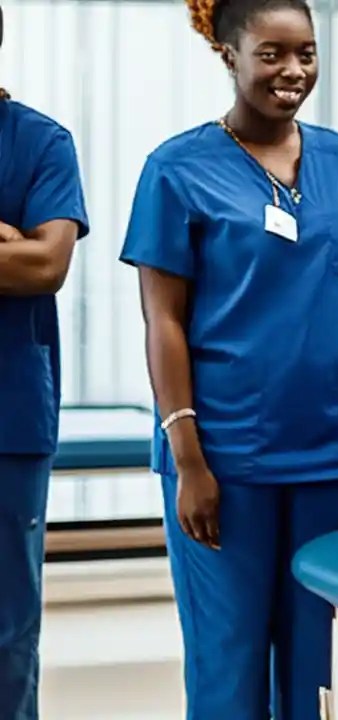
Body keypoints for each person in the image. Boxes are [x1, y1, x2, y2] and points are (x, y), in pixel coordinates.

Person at [118, 0, 338, 717]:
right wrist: (187, 458)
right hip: (224, 459)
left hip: (325, 454)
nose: (293, 70)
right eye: (271, 53)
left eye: (305, 52)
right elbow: (164, 324)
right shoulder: (175, 169)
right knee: (230, 657)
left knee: (315, 663)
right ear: (228, 54)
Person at [0, 11, 90, 716]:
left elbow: (45, 262)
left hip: (9, 421)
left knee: (6, 632)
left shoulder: (39, 141)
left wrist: (21, 249)